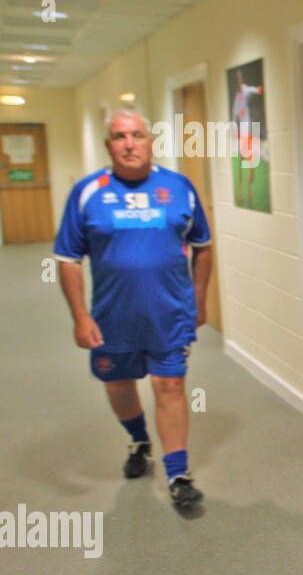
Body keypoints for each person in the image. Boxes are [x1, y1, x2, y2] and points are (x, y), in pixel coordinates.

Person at [55, 110, 213, 508]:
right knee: (119, 385)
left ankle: (178, 472)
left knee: (171, 385)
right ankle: (139, 441)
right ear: (109, 145)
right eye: (120, 136)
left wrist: (199, 299)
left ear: (151, 141)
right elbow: (68, 258)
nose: (129, 144)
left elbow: (203, 246)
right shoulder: (88, 192)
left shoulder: (179, 187)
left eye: (137, 135)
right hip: (112, 316)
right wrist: (80, 317)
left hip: (169, 313)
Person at [230, 68, 264, 206]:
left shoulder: (245, 89)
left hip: (250, 131)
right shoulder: (237, 97)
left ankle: (249, 188)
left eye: (241, 78)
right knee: (242, 162)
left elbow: (254, 90)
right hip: (243, 132)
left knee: (252, 161)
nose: (240, 81)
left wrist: (259, 90)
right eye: (237, 78)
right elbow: (234, 115)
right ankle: (239, 191)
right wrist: (235, 129)